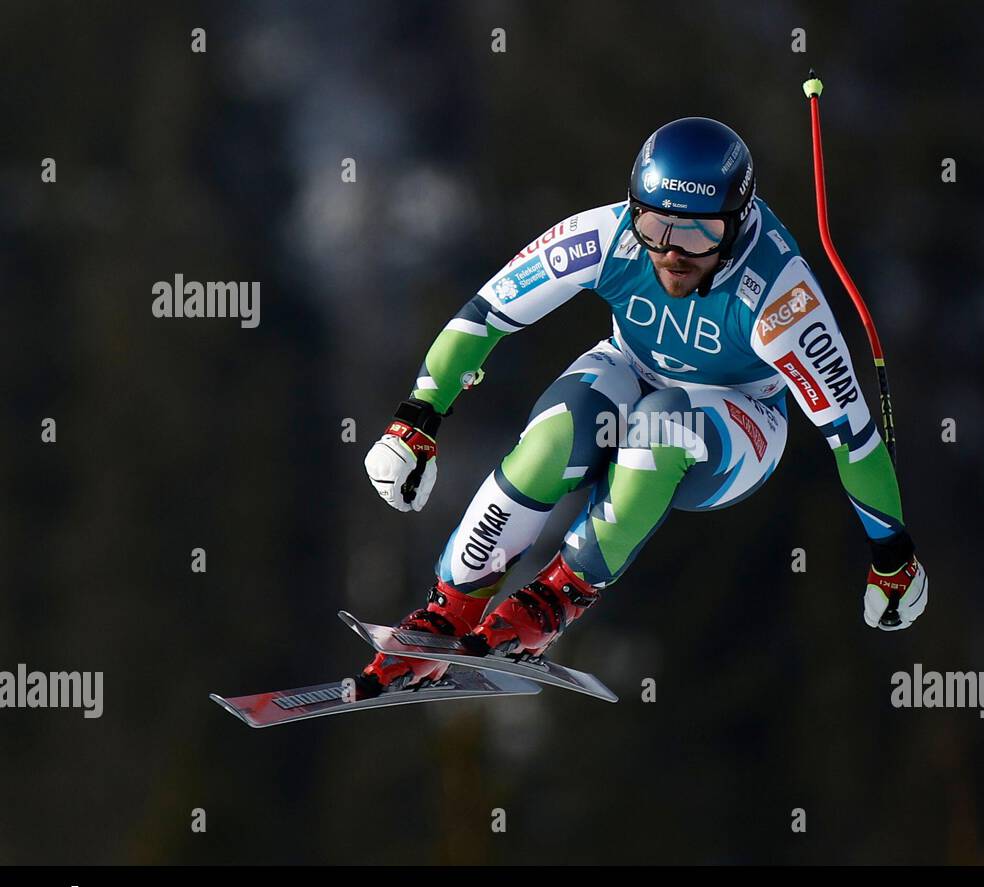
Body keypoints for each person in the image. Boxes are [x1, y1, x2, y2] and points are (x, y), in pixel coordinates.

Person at [356, 116, 928, 697]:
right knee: (559, 435)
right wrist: (417, 419)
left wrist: (893, 558)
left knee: (661, 431)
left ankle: (558, 597)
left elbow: (853, 437)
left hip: (741, 415)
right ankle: (448, 608)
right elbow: (487, 315)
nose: (674, 253)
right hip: (630, 365)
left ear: (739, 221)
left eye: (700, 236)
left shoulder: (781, 297)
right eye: (656, 226)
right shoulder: (608, 235)